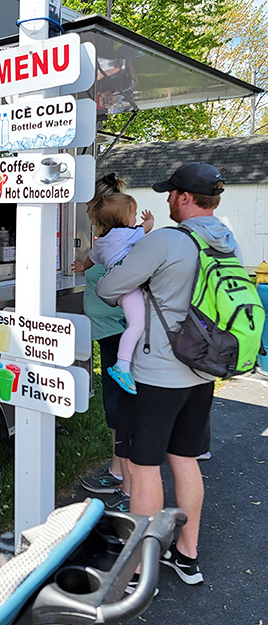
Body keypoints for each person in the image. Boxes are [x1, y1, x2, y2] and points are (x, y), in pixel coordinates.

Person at [96, 162, 238, 585]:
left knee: (143, 467)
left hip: (156, 374)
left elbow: (108, 288)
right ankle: (186, 554)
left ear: (185, 198)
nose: (167, 200)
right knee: (186, 459)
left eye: (172, 193)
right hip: (201, 369)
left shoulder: (166, 241)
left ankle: (141, 568)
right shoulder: (227, 241)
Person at [75, 174, 129, 507]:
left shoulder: (120, 242)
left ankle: (122, 477)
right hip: (110, 333)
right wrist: (83, 265)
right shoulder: (106, 240)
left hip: (120, 333)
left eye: (89, 202)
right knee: (116, 406)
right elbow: (92, 264)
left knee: (119, 407)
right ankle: (120, 470)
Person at [73, 193, 154, 394]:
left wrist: (83, 266)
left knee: (137, 321)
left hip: (120, 291)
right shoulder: (126, 234)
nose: (136, 219)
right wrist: (149, 220)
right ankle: (122, 366)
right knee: (137, 324)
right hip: (129, 289)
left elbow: (91, 258)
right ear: (125, 220)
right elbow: (147, 229)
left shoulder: (102, 241)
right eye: (134, 215)